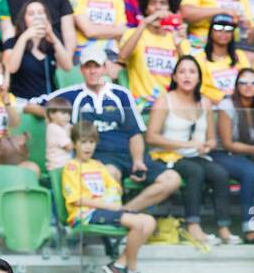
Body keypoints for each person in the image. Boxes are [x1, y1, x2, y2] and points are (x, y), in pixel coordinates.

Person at [42, 46, 183, 209]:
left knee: (172, 179)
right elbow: (36, 105)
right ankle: (117, 221)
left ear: (104, 68)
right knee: (107, 175)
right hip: (99, 157)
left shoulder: (121, 94)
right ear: (81, 70)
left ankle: (126, 211)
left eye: (96, 66)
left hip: (128, 153)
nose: (92, 71)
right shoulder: (71, 95)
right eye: (88, 67)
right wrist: (53, 124)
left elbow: (135, 133)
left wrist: (137, 160)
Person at [147, 54, 236, 245]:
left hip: (196, 155)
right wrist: (186, 145)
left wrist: (208, 145)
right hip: (167, 156)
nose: (187, 76)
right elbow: (151, 137)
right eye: (182, 72)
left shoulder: (205, 102)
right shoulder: (164, 101)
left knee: (220, 173)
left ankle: (224, 228)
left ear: (199, 78)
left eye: (192, 72)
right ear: (174, 77)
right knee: (195, 171)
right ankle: (193, 226)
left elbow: (212, 138)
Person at [61, 120, 157, 273]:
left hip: (105, 210)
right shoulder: (71, 168)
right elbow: (76, 199)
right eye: (83, 142)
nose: (88, 146)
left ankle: (121, 265)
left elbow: (114, 187)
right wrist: (108, 205)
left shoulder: (98, 165)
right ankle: (130, 268)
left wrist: (111, 199)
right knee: (140, 223)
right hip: (85, 214)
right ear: (74, 143)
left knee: (149, 222)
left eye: (92, 142)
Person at [215, 68, 254, 244]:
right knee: (251, 172)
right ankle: (249, 227)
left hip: (250, 154)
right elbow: (227, 143)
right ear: (236, 86)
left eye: (253, 83)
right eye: (243, 82)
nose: (248, 86)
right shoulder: (227, 105)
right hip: (223, 154)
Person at [118, 0, 186, 108]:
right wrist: (143, 23)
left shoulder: (177, 37)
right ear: (146, 7)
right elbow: (122, 57)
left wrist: (178, 45)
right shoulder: (134, 33)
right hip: (142, 105)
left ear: (170, 7)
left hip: (171, 104)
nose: (158, 8)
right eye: (153, 3)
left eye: (163, 3)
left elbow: (187, 72)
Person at [4, 0, 73, 105]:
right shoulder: (12, 42)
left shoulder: (52, 43)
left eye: (41, 13)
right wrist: (24, 37)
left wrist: (53, 37)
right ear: (24, 20)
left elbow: (68, 66)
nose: (37, 17)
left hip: (48, 101)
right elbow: (12, 68)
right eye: (31, 14)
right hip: (23, 102)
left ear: (47, 17)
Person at [195, 12, 253, 104]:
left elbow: (248, 80)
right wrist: (222, 100)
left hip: (239, 104)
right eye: (218, 28)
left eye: (228, 29)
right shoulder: (200, 59)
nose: (223, 32)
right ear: (210, 32)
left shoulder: (239, 56)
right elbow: (198, 89)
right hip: (212, 105)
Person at [44, 95, 73, 169]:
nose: (67, 116)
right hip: (57, 166)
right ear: (51, 114)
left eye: (69, 113)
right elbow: (69, 147)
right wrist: (80, 141)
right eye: (63, 113)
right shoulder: (54, 128)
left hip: (63, 164)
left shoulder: (63, 126)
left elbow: (72, 129)